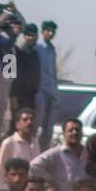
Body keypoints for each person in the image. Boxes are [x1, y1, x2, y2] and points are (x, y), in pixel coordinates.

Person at [30, 118, 89, 191]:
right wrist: (50, 182)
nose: (74, 132)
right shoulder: (56, 153)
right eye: (70, 130)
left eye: (77, 130)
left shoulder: (87, 153)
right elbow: (34, 165)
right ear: (64, 134)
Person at [0, 106, 39, 189]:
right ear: (17, 124)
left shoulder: (35, 143)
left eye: (31, 120)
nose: (29, 122)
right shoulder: (9, 143)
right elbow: (0, 170)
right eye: (25, 120)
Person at [35, 21, 59, 150]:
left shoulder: (52, 49)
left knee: (48, 128)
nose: (50, 33)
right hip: (40, 90)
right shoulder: (36, 47)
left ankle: (44, 153)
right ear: (42, 31)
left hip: (51, 90)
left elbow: (54, 70)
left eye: (52, 31)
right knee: (36, 125)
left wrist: (56, 89)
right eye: (48, 30)